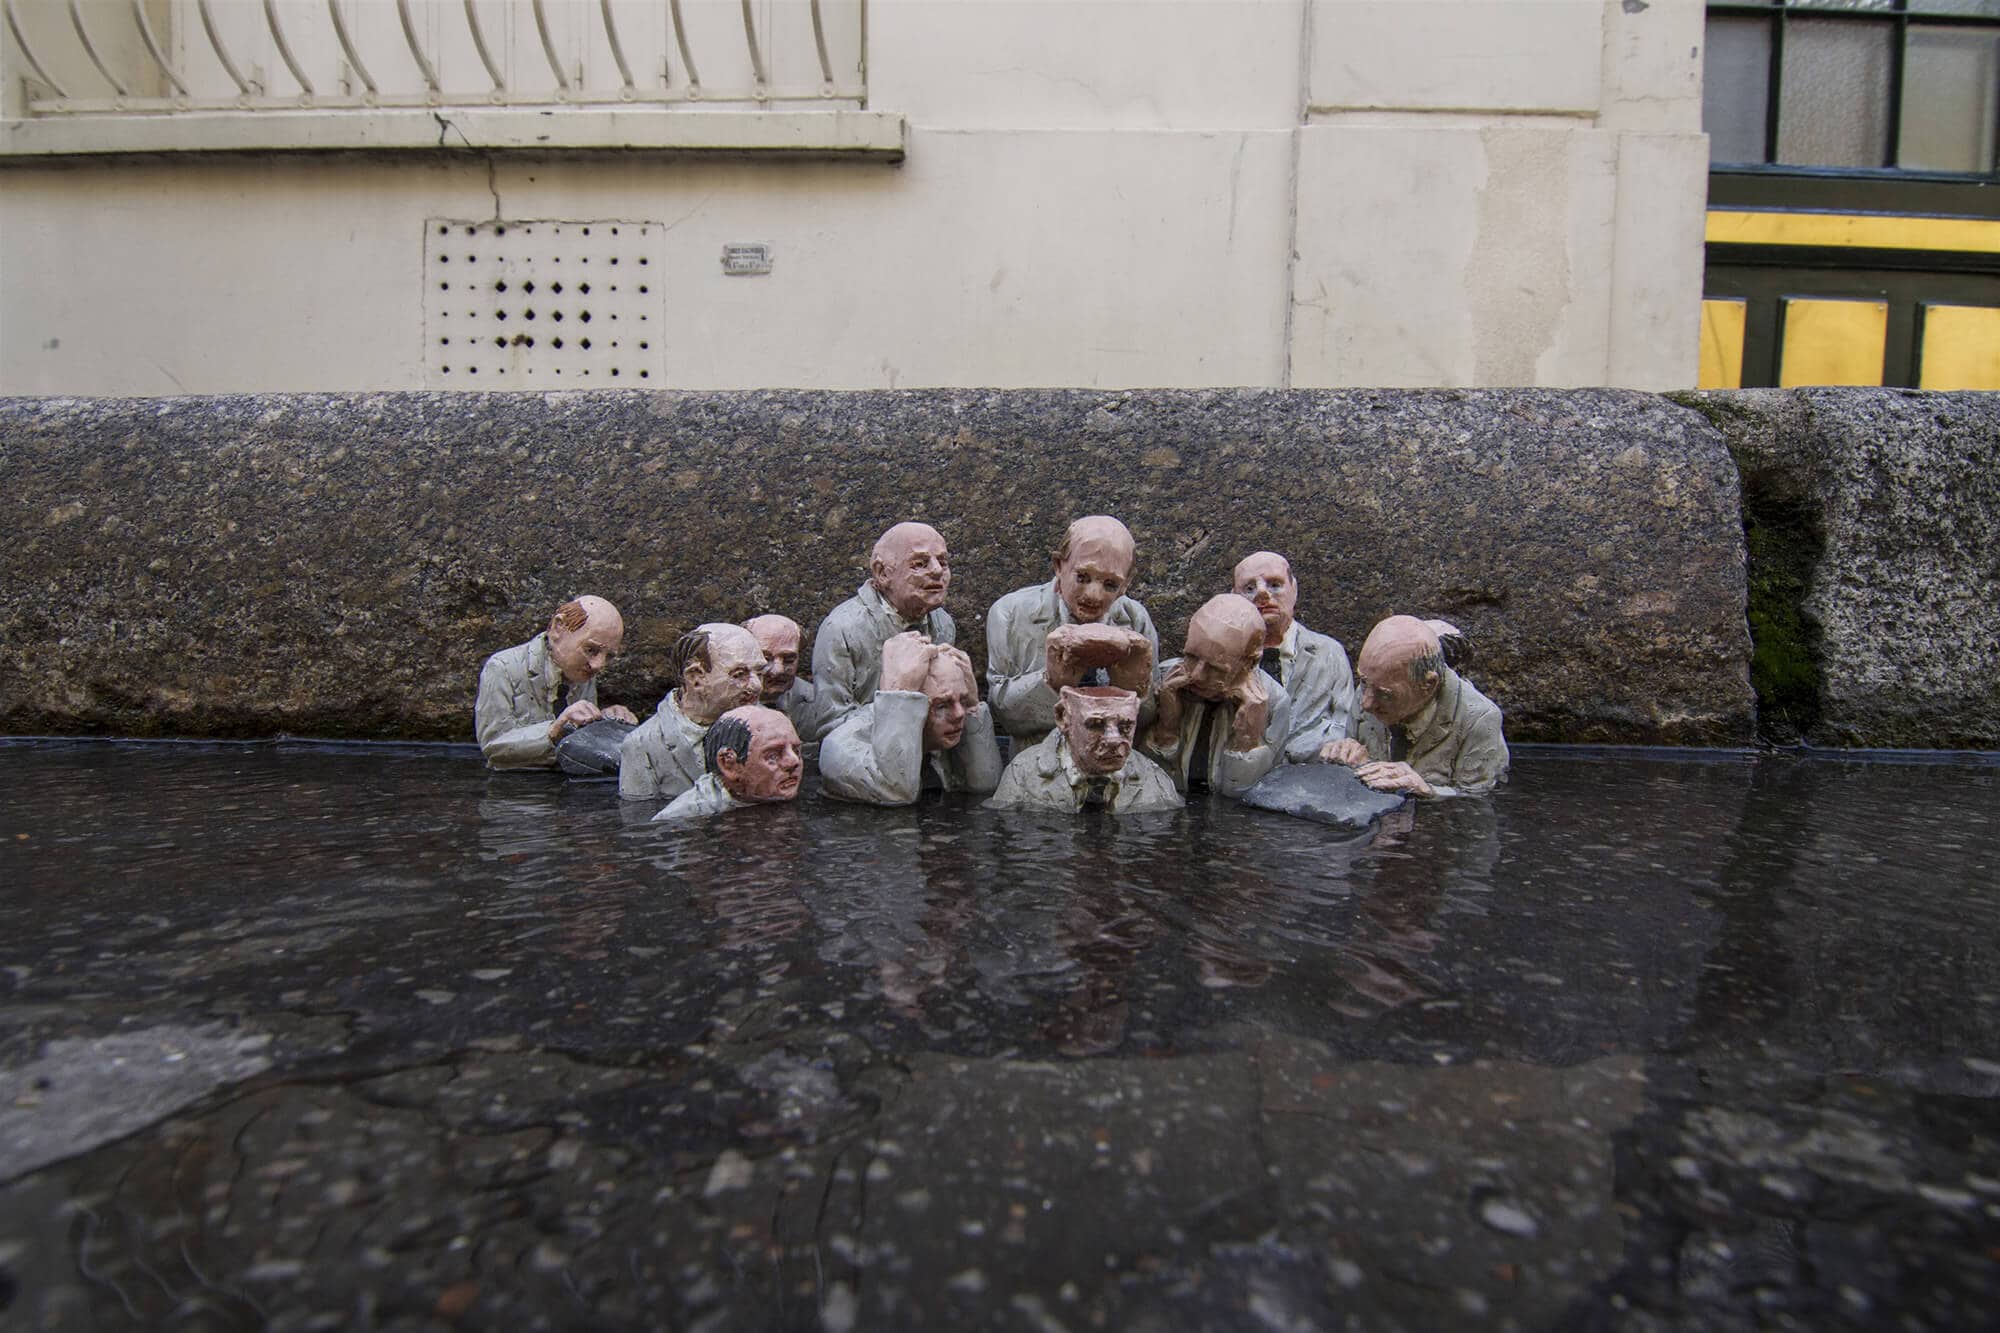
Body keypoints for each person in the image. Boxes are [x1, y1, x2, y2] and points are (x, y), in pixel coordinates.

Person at [985, 516, 1159, 743]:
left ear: (1126, 583)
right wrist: (1051, 682)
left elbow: (1147, 718)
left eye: (1110, 584)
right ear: (1059, 566)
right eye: (1082, 577)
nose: (1093, 595)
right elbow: (1002, 713)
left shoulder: (1136, 620)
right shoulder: (1010, 614)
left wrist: (1133, 686)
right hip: (1038, 754)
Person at [1323, 615, 1509, 797]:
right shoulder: (1373, 686)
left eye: (1385, 695)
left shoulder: (1480, 720)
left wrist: (1427, 791)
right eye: (1363, 681)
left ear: (1428, 684)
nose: (1366, 703)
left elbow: (1477, 798)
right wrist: (1347, 755)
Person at [820, 632, 1002, 805]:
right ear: (910, 705)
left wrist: (972, 706)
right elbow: (897, 793)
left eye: (962, 700)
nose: (959, 714)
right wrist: (899, 698)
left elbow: (985, 785)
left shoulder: (943, 740)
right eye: (941, 705)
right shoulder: (839, 749)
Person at [1142, 595, 1291, 798]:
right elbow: (1149, 782)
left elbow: (1244, 795)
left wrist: (1247, 741)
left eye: (1215, 668)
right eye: (1191, 656)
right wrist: (1167, 726)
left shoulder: (1275, 703)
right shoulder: (1168, 680)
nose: (1197, 675)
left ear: (1250, 663)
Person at [812, 522, 956, 730]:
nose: (937, 570)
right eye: (920, 564)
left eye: (943, 562)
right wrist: (896, 700)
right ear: (882, 573)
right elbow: (832, 723)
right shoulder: (841, 629)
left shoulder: (943, 623)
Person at [474, 595, 638, 769]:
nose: (598, 665)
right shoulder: (502, 668)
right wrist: (553, 731)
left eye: (608, 656)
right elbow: (492, 746)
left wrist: (606, 722)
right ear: (559, 627)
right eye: (591, 650)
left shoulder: (583, 670)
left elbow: (582, 740)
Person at [1231, 550, 1359, 763]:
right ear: (1234, 598)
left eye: (1275, 585)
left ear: (1294, 589)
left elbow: (1346, 724)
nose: (1263, 594)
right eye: (1249, 589)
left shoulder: (1329, 653)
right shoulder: (1226, 661)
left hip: (1314, 773)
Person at [618, 623, 766, 802]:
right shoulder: (642, 745)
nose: (757, 685)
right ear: (695, 677)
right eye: (739, 675)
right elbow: (640, 816)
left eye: (760, 673)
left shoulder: (769, 726)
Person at [987, 686, 1182, 815]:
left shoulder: (1157, 784)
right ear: (1064, 718)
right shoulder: (1021, 776)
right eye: (1096, 724)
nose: (1113, 739)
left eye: (1125, 727)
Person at [654, 705, 804, 822]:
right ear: (729, 764)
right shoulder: (684, 818)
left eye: (796, 750)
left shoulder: (764, 795)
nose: (794, 762)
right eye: (773, 755)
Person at [743, 613, 838, 742]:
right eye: (766, 659)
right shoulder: (731, 701)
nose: (778, 670)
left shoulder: (816, 703)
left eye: (789, 660)